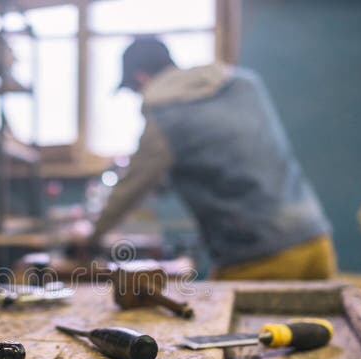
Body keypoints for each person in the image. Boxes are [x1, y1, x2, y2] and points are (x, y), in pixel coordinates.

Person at [85, 37, 336, 280]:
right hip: (315, 241)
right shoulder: (243, 84)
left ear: (141, 78)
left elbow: (130, 189)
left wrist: (90, 238)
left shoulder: (165, 115)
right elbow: (232, 156)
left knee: (208, 317)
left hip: (261, 257)